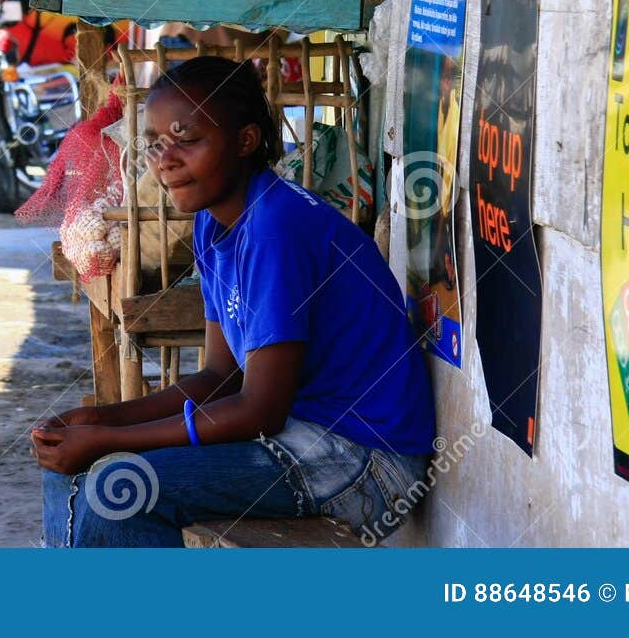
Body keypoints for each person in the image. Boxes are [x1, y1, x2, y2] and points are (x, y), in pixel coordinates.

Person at [33, 57, 434, 547]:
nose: (165, 159)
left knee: (116, 491)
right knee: (69, 467)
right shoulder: (213, 222)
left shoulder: (275, 229)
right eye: (158, 142)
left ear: (245, 141)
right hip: (299, 434)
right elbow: (219, 376)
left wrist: (110, 439)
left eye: (188, 139)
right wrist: (101, 420)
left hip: (365, 460)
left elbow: (257, 410)